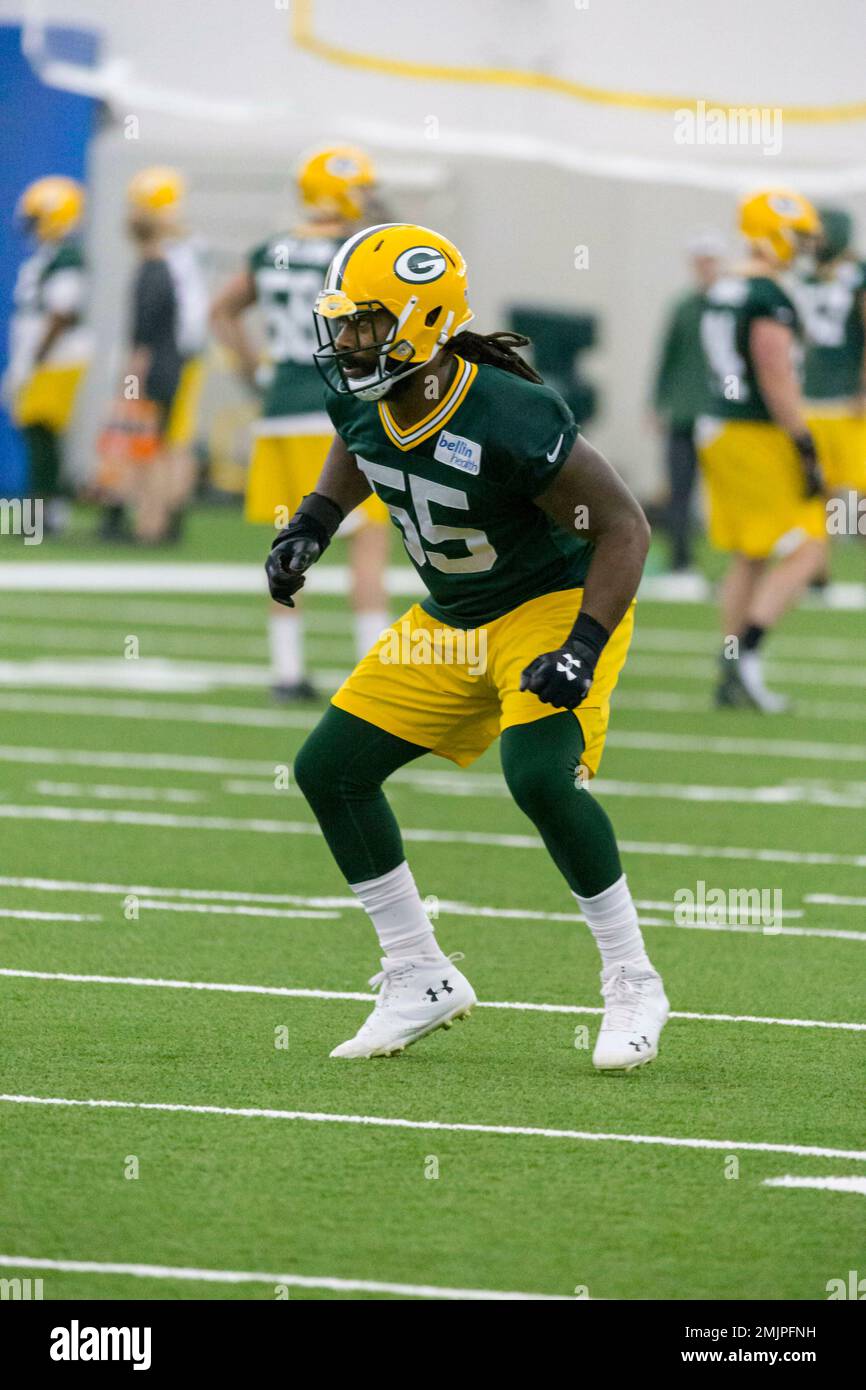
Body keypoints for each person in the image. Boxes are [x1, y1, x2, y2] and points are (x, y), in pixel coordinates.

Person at [266, 222, 669, 1070]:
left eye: (364, 323)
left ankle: (633, 979)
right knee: (329, 771)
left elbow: (626, 527)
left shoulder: (510, 412)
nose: (345, 341)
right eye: (339, 322)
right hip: (453, 614)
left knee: (537, 777)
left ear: (420, 320)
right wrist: (313, 521)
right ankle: (417, 972)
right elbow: (359, 438)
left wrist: (584, 645)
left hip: (550, 602)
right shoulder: (366, 385)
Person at [211, 145, 390, 701]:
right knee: (369, 543)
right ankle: (373, 675)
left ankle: (287, 671)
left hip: (280, 411)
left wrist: (253, 371)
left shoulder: (269, 250)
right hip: (340, 411)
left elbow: (221, 310)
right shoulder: (354, 251)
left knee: (290, 545)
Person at [696, 189, 827, 712]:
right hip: (754, 431)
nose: (801, 247)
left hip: (721, 427)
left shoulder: (728, 284)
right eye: (797, 236)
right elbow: (773, 372)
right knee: (810, 544)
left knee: (751, 553)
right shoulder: (766, 293)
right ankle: (747, 654)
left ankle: (731, 661)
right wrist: (804, 440)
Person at [100, 167, 207, 544]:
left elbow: (151, 327)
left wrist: (132, 377)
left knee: (159, 446)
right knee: (165, 445)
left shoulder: (163, 262)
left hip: (167, 362)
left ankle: (153, 521)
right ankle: (158, 520)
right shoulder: (181, 254)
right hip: (177, 359)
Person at [3, 176, 91, 535]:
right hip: (45, 357)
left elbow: (61, 312)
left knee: (42, 431)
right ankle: (43, 511)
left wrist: (32, 361)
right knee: (37, 432)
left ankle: (44, 515)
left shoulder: (67, 257)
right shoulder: (51, 255)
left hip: (56, 358)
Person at [649, 231, 725, 572]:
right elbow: (666, 358)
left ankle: (731, 562)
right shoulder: (682, 308)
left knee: (726, 492)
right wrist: (657, 404)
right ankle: (680, 560)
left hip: (721, 416)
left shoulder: (730, 306)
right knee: (679, 489)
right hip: (683, 413)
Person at [798, 208, 866, 549]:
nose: (814, 241)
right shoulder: (806, 275)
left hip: (847, 397)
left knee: (861, 487)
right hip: (809, 396)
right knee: (816, 487)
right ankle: (817, 574)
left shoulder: (857, 274)